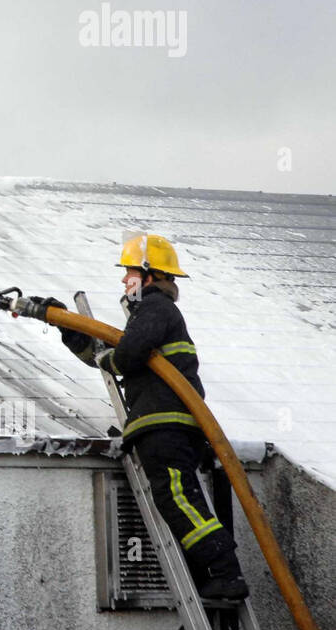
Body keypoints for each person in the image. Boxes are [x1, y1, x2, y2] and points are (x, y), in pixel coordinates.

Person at [52, 233, 249, 601]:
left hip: (166, 424)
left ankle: (225, 571)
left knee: (177, 499)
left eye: (129, 274)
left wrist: (114, 358)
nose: (124, 282)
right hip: (163, 424)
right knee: (176, 500)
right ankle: (210, 581)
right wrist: (65, 324)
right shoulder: (150, 316)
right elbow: (106, 353)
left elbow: (124, 357)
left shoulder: (156, 308)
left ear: (147, 274)